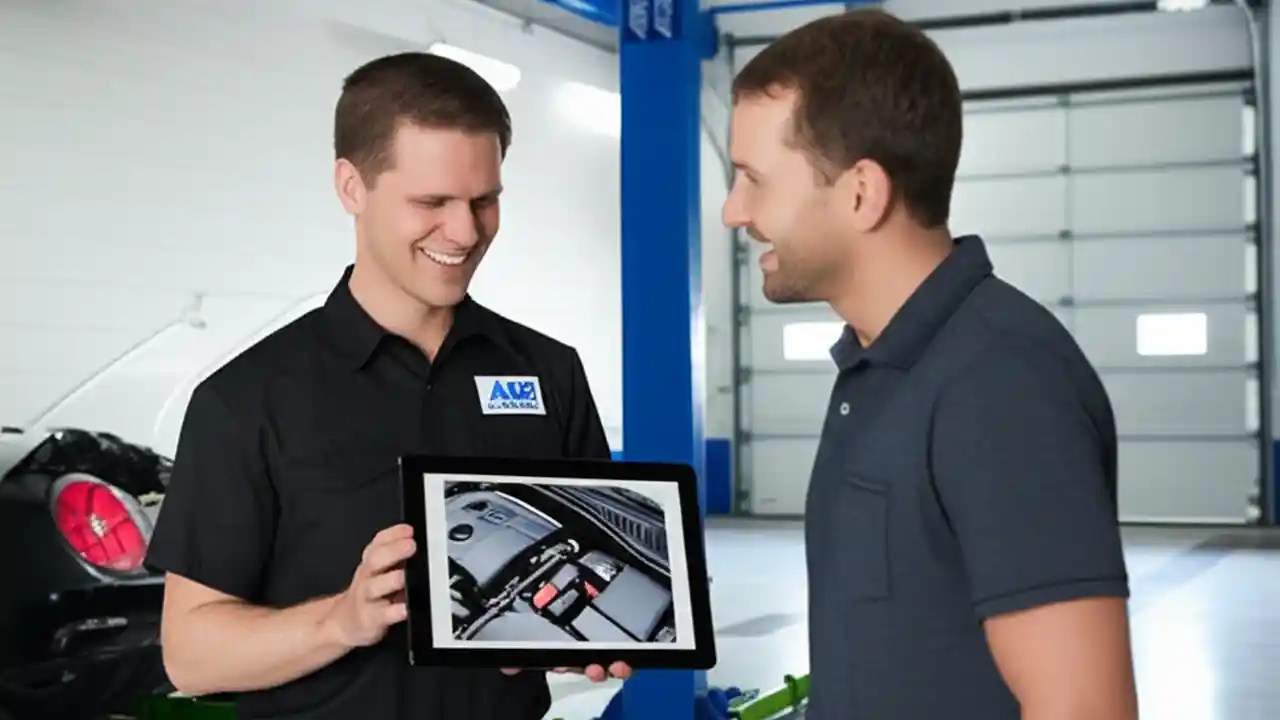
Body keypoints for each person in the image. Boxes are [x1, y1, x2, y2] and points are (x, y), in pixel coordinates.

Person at [145, 52, 630, 720]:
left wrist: (565, 638)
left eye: (484, 201)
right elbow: (191, 656)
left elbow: (589, 581)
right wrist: (341, 621)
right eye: (431, 202)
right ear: (351, 186)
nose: (464, 232)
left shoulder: (548, 372)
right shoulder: (249, 399)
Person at [721, 9, 1139, 720]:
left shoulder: (1000, 383)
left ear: (861, 193)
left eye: (754, 179)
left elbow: (1082, 709)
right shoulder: (877, 370)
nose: (735, 211)